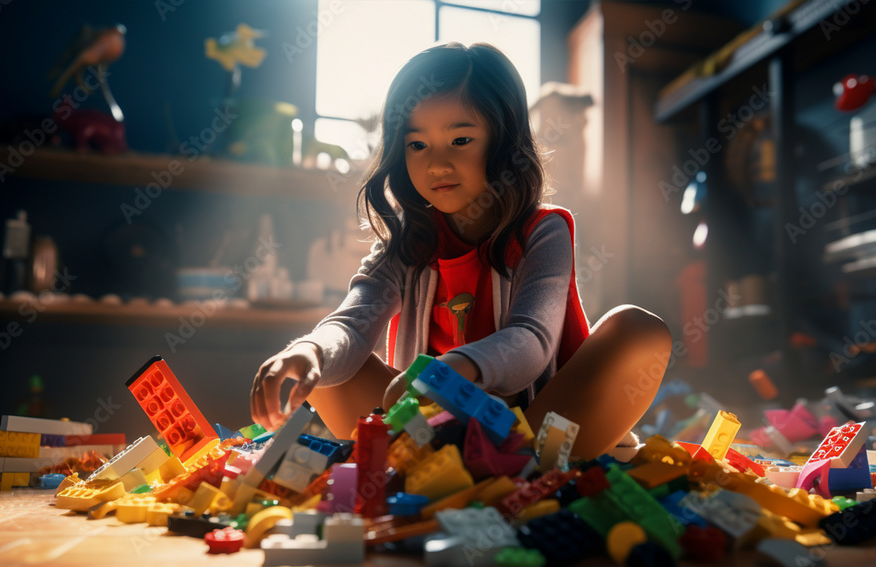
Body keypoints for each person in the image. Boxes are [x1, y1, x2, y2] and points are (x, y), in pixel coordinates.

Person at [250, 42, 672, 459]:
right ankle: (408, 464)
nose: (436, 164)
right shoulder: (406, 239)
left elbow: (532, 340)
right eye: (417, 144)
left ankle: (532, 473)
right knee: (334, 360)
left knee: (639, 330)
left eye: (460, 140)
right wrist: (308, 352)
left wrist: (454, 370)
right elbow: (354, 321)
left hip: (535, 433)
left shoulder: (542, 231)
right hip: (425, 438)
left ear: (503, 142)